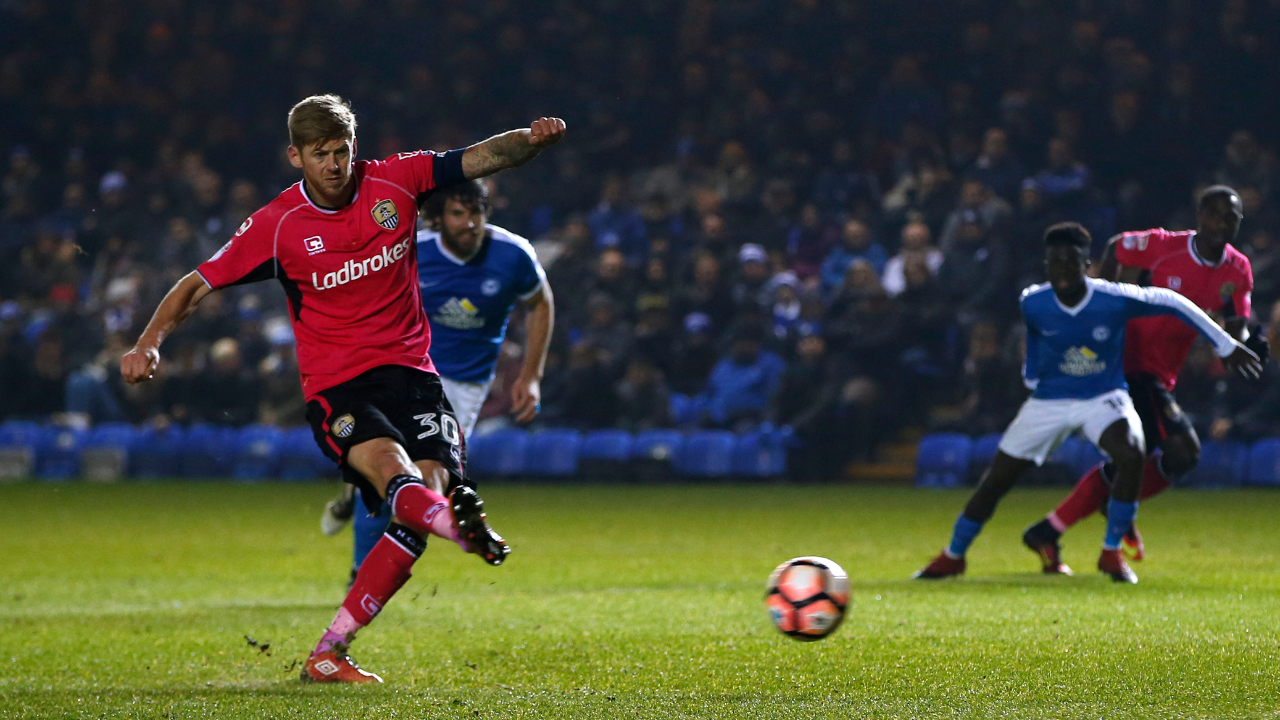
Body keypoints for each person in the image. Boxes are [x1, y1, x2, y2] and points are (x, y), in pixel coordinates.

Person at [119, 95, 565, 683]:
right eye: (320, 154)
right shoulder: (278, 224)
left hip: (415, 376)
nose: (334, 165)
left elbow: (483, 158)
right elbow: (196, 284)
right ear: (296, 156)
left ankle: (330, 652)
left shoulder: (398, 181)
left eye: (342, 151)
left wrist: (530, 141)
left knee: (422, 503)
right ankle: (461, 529)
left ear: (356, 147)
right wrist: (149, 342)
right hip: (340, 387)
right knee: (398, 476)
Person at [913, 223, 1260, 584]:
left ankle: (1111, 552)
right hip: (1050, 401)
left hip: (1102, 397)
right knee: (996, 480)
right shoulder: (1033, 301)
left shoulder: (1111, 296)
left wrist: (1226, 344)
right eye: (1056, 263)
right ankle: (953, 555)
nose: (1063, 270)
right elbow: (1034, 343)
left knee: (1131, 453)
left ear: (1086, 264)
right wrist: (1031, 379)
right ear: (1046, 265)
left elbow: (1173, 301)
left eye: (1071, 262)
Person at [320, 179, 555, 584]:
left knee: (426, 482)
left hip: (465, 387)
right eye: (458, 214)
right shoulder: (412, 249)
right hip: (406, 370)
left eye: (476, 213)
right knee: (391, 470)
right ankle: (363, 572)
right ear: (438, 218)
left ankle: (355, 497)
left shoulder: (513, 254)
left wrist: (531, 375)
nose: (469, 223)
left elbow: (541, 303)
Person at [1022, 186, 1266, 572]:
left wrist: (1251, 341)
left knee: (1132, 461)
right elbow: (1116, 247)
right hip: (1131, 363)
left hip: (1164, 371)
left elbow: (1235, 329)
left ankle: (1049, 530)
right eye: (1215, 214)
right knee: (1182, 452)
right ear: (1199, 215)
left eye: (1230, 217)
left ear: (1239, 222)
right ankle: (1111, 530)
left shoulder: (1238, 270)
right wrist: (1107, 304)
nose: (1221, 223)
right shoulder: (1163, 246)